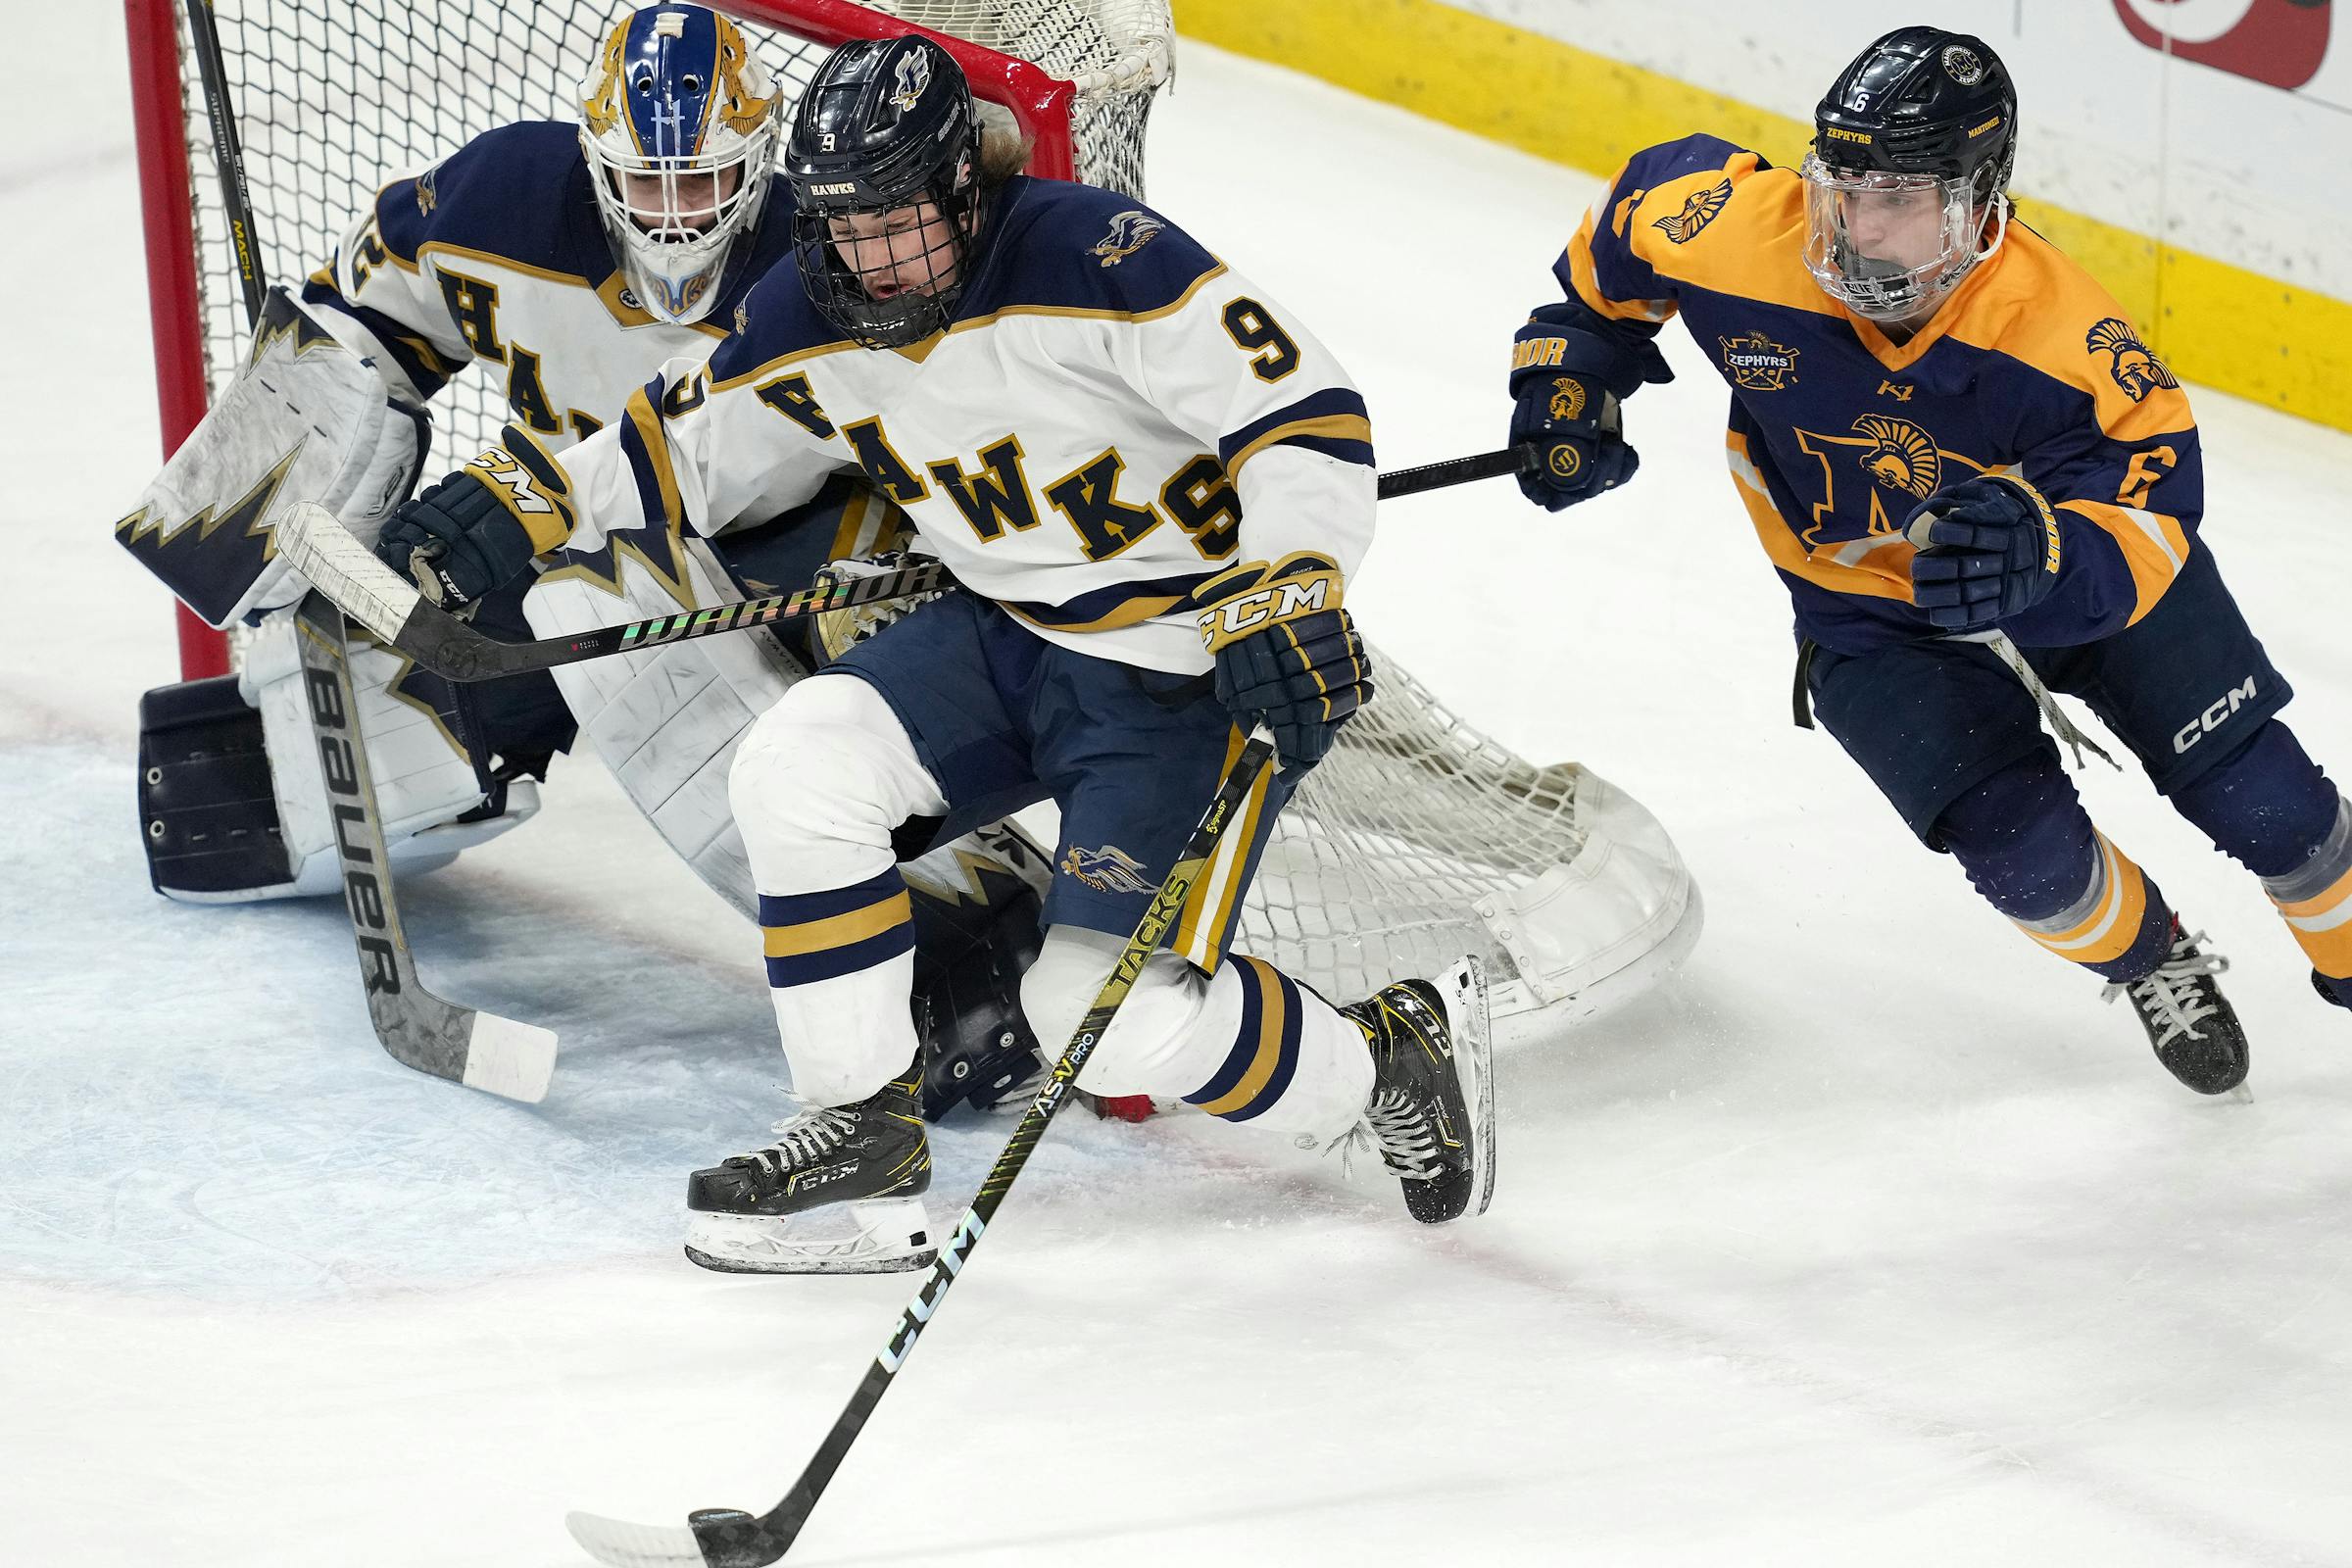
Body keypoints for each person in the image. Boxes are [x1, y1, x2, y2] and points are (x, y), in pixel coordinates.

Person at [364, 34, 1496, 1273]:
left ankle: (1387, 1060)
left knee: (1097, 1021)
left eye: (902, 221)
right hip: (1005, 641)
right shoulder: (811, 307)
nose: (875, 256)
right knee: (798, 767)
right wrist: (521, 496)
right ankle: (859, 1136)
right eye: (847, 227)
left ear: (966, 187)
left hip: (1180, 673)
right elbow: (676, 444)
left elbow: (1302, 415)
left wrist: (1287, 583)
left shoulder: (1096, 258)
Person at [119, 4, 1054, 1119]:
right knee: (267, 801)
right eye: (645, 185)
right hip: (580, 533)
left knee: (612, 620)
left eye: (704, 184)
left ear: (758, 167)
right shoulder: (507, 201)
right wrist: (298, 549)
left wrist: (524, 502)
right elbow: (351, 323)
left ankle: (970, 928)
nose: (674, 219)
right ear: (594, 164)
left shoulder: (833, 253)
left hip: (809, 584)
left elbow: (928, 453)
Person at [1502, 24, 2351, 1095]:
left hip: (2071, 579)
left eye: (1898, 197)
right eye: (1842, 188)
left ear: (1977, 194)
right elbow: (1608, 262)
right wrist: (1570, 380)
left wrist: (2047, 555)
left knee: (2266, 800)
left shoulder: (2064, 338)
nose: (1857, 228)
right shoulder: (1732, 232)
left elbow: (2157, 510)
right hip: (1868, 608)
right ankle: (2152, 958)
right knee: (2023, 858)